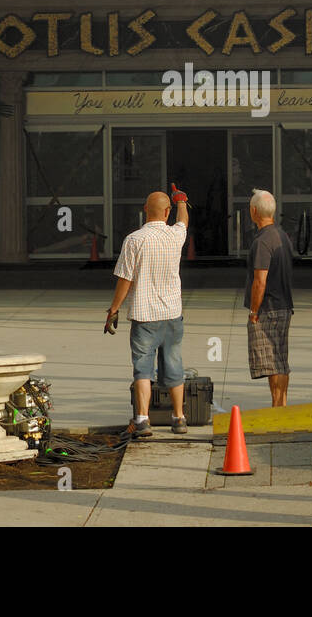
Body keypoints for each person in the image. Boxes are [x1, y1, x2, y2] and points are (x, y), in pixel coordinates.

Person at [106, 185, 190, 437]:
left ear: (145, 211)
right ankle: (179, 418)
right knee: (174, 365)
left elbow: (125, 279)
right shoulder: (176, 236)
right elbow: (183, 221)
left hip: (145, 317)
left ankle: (142, 420)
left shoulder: (134, 240)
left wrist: (113, 309)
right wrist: (182, 201)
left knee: (143, 367)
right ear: (167, 212)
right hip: (173, 315)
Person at [244, 188, 293, 406]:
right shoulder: (281, 235)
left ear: (254, 211)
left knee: (273, 361)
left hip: (269, 307)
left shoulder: (262, 241)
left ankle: (277, 406)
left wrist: (254, 311)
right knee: (281, 358)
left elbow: (259, 280)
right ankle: (282, 404)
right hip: (283, 304)